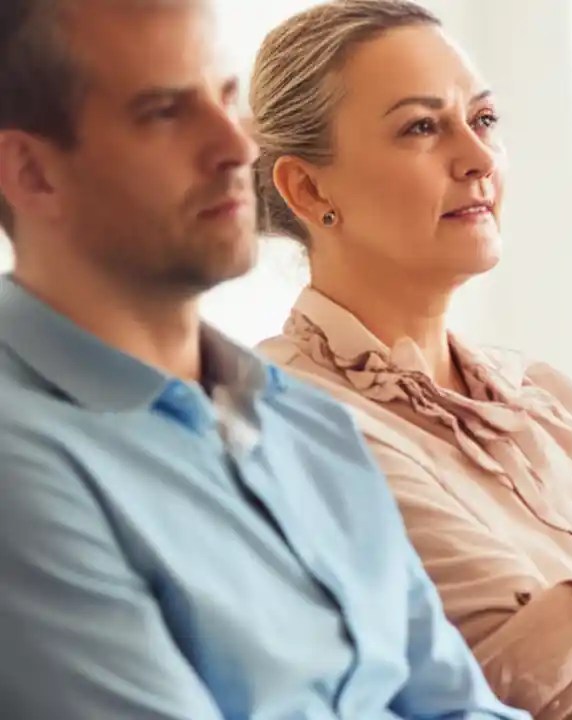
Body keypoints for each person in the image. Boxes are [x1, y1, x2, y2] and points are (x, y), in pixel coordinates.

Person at [0, 1, 524, 717]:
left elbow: (463, 706)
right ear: (31, 172)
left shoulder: (305, 421)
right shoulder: (20, 464)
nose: (237, 147)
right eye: (162, 111)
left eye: (225, 98)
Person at [248, 2, 572, 718]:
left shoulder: (545, 395)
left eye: (484, 120)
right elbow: (518, 696)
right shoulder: (298, 419)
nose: (479, 158)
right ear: (308, 189)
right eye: (421, 127)